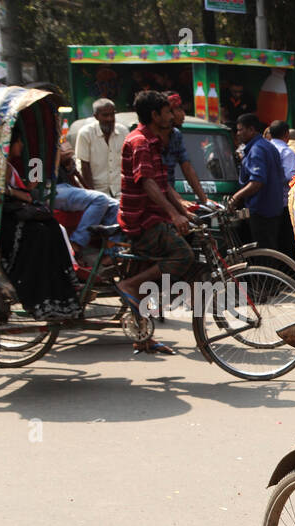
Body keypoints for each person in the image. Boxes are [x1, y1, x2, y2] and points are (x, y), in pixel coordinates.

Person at [115, 89, 193, 356]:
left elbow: (164, 185)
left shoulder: (154, 141)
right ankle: (127, 287)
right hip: (141, 220)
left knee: (147, 275)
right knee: (183, 255)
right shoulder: (140, 143)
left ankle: (143, 338)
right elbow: (147, 183)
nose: (172, 115)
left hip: (153, 216)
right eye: (168, 111)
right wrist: (174, 215)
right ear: (154, 115)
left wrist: (184, 209)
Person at [0, 130, 81, 321]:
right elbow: (5, 193)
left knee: (52, 226)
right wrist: (21, 194)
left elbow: (26, 191)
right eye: (19, 142)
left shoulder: (16, 165)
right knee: (41, 232)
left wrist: (27, 190)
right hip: (6, 220)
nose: (22, 146)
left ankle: (61, 285)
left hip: (18, 211)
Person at [52, 140, 118, 266]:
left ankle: (110, 255)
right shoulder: (38, 153)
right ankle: (76, 245)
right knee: (100, 199)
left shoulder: (54, 142)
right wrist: (57, 158)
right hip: (51, 189)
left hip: (66, 187)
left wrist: (68, 165)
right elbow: (36, 181)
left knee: (115, 205)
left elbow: (71, 174)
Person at [228, 113, 287, 253]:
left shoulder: (257, 150)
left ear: (251, 130)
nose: (238, 133)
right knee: (269, 250)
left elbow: (257, 182)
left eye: (241, 129)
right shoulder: (267, 146)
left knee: (263, 252)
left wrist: (236, 197)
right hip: (273, 208)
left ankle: (266, 275)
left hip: (261, 209)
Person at [161, 93, 211, 205]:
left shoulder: (176, 135)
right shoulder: (150, 138)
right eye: (178, 110)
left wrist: (204, 199)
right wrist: (180, 201)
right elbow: (157, 179)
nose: (183, 115)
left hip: (170, 195)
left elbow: (187, 168)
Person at [74, 98, 128, 198]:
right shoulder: (86, 134)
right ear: (96, 116)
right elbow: (84, 166)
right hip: (96, 191)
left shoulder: (123, 131)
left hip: (119, 191)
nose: (110, 119)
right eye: (105, 115)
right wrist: (93, 196)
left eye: (112, 114)